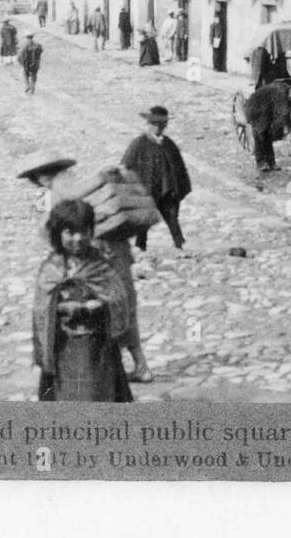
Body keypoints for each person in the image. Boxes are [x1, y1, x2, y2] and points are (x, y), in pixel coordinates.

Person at [17, 151, 155, 383]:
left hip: (100, 256)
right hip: (114, 251)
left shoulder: (59, 186)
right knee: (122, 305)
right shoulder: (65, 183)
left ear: (41, 176)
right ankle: (136, 364)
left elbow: (47, 224)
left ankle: (123, 367)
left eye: (36, 176)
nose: (37, 181)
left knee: (107, 308)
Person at [32, 200, 133, 402]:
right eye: (70, 232)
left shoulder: (100, 266)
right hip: (63, 349)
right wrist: (61, 307)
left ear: (91, 231)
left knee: (94, 395)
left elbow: (118, 299)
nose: (78, 239)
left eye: (84, 231)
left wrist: (101, 305)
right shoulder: (51, 269)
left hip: (96, 350)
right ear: (58, 234)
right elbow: (41, 308)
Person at [122, 106, 192, 254]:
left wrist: (176, 187)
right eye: (155, 124)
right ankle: (141, 246)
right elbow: (126, 165)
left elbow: (178, 167)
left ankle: (179, 243)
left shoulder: (168, 144)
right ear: (148, 124)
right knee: (145, 219)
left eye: (162, 125)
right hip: (147, 189)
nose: (159, 128)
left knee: (172, 216)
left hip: (166, 189)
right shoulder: (139, 144)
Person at [18, 30, 44, 94]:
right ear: (32, 37)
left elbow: (20, 57)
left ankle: (27, 86)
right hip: (35, 64)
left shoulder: (25, 46)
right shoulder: (38, 45)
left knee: (25, 74)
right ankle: (32, 89)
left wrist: (22, 64)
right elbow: (41, 51)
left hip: (27, 64)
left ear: (27, 38)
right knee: (34, 76)